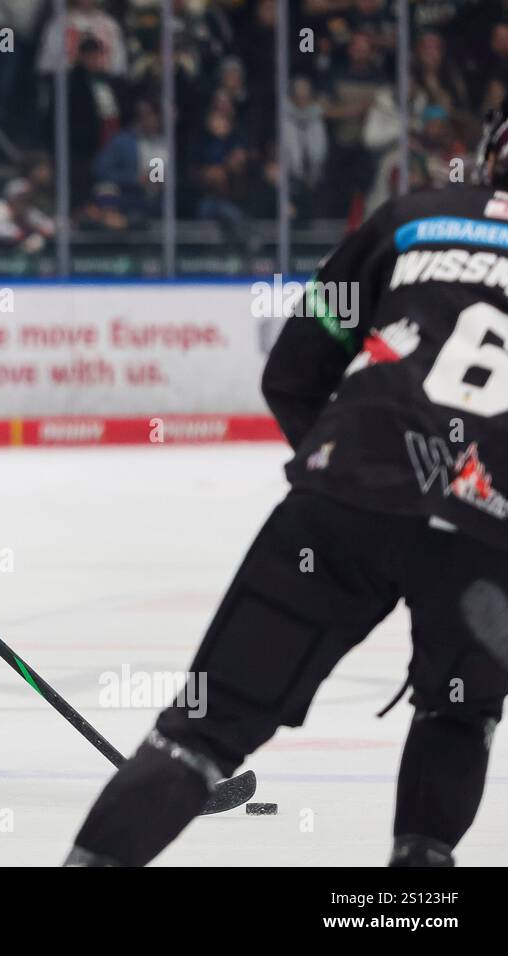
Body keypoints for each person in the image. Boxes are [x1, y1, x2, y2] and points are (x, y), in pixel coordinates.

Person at [66, 97, 508, 867]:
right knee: (457, 715)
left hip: (346, 495)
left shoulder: (414, 219)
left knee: (198, 734)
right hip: (486, 533)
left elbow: (295, 370)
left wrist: (350, 477)